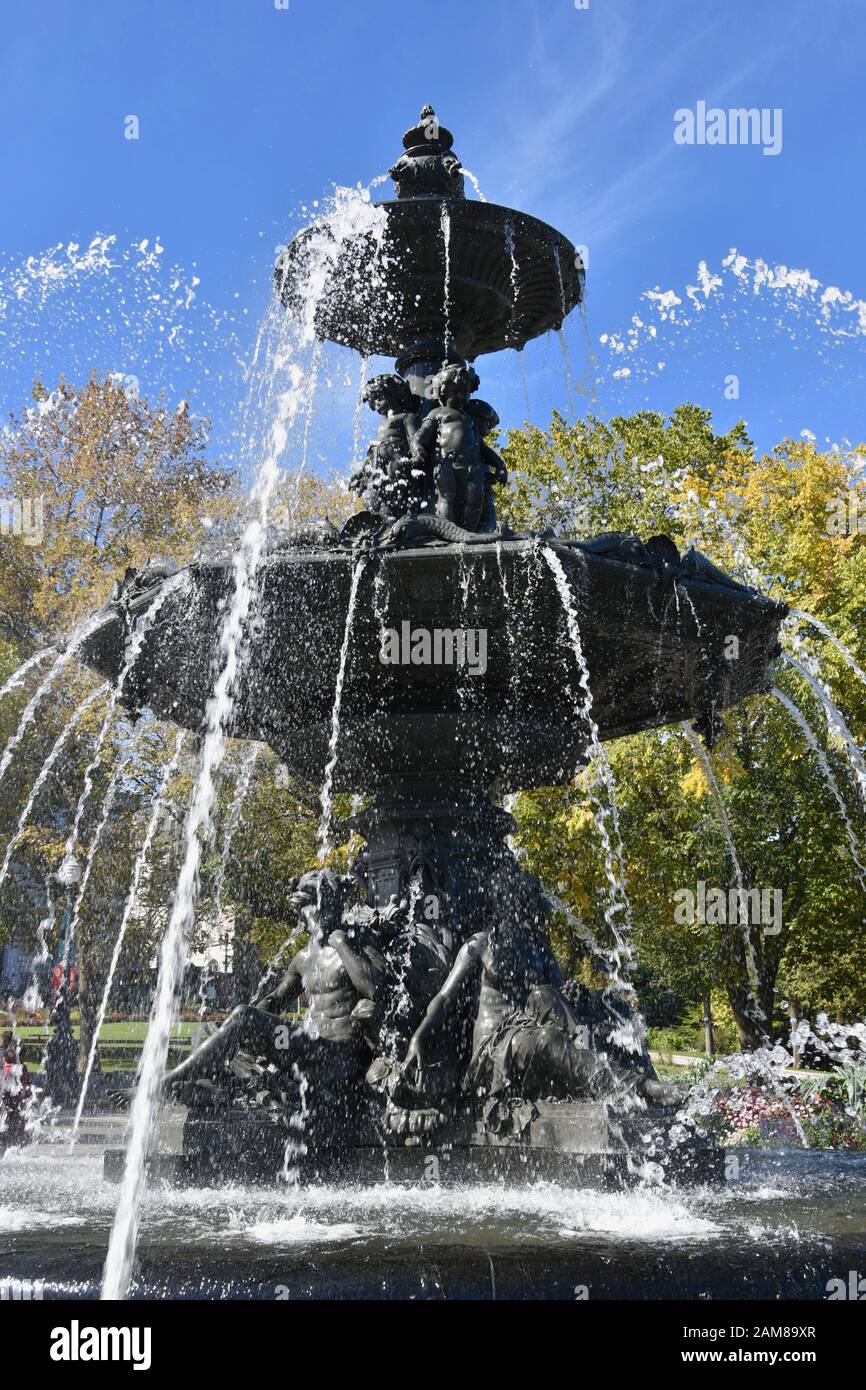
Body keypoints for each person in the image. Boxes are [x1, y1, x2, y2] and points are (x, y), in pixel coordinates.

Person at [401, 910, 679, 1110]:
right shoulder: (481, 944)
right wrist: (419, 1036)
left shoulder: (540, 951)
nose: (539, 912)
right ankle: (638, 1087)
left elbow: (559, 1007)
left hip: (529, 1038)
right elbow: (444, 998)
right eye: (530, 903)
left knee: (546, 994)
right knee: (548, 1038)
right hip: (494, 1054)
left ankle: (599, 1075)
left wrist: (575, 996)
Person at [160, 870, 387, 1098]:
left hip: (339, 1056)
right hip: (307, 1048)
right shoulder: (303, 958)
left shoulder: (355, 943)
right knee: (206, 1030)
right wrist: (239, 1028)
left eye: (323, 908)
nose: (315, 916)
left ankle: (165, 1083)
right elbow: (276, 1000)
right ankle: (212, 1089)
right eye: (309, 910)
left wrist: (341, 943)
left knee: (243, 1017)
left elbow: (375, 990)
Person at [1, 1034, 32, 1147]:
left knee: (9, 1116)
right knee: (18, 1116)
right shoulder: (20, 1068)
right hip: (17, 1097)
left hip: (6, 1097)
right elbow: (27, 1083)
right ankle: (18, 1137)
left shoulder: (3, 1070)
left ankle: (9, 1137)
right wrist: (27, 1093)